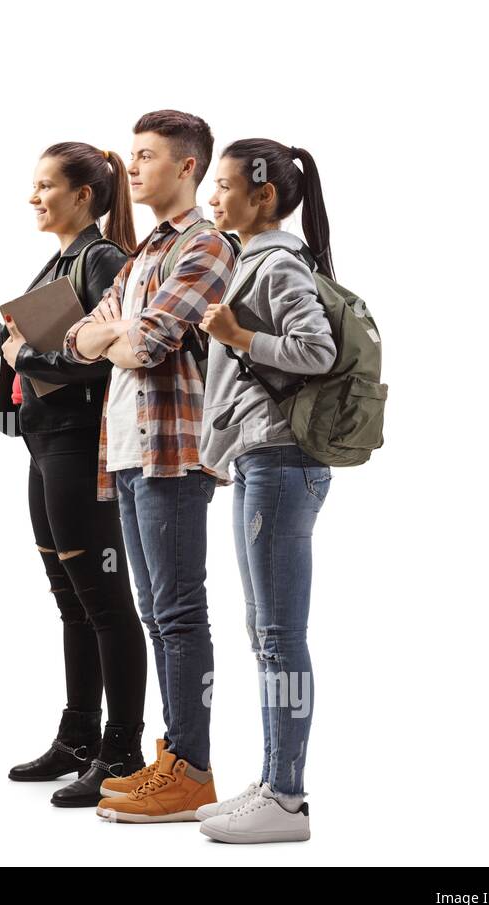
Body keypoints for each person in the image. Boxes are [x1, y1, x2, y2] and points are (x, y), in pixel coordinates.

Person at [0, 142, 149, 807]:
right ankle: (79, 738)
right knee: (71, 598)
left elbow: (108, 360)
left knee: (104, 602)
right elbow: (38, 354)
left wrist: (11, 343)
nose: (33, 197)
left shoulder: (105, 261)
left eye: (43, 186)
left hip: (82, 448)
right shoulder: (61, 261)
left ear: (83, 196)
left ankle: (120, 750)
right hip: (46, 444)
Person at [62, 110, 237, 824]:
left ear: (188, 167)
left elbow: (153, 340)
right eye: (132, 156)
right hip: (126, 455)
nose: (131, 170)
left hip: (172, 454)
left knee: (178, 610)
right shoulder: (137, 259)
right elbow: (80, 338)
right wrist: (112, 335)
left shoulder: (208, 246)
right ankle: (172, 758)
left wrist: (116, 335)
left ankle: (192, 769)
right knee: (154, 613)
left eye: (146, 156)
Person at [193, 138, 337, 843]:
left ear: (264, 196)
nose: (211, 199)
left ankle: (287, 799)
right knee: (266, 633)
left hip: (282, 464)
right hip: (261, 462)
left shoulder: (277, 263)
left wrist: (240, 335)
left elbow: (317, 353)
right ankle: (273, 781)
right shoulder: (249, 260)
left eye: (221, 187)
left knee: (280, 635)